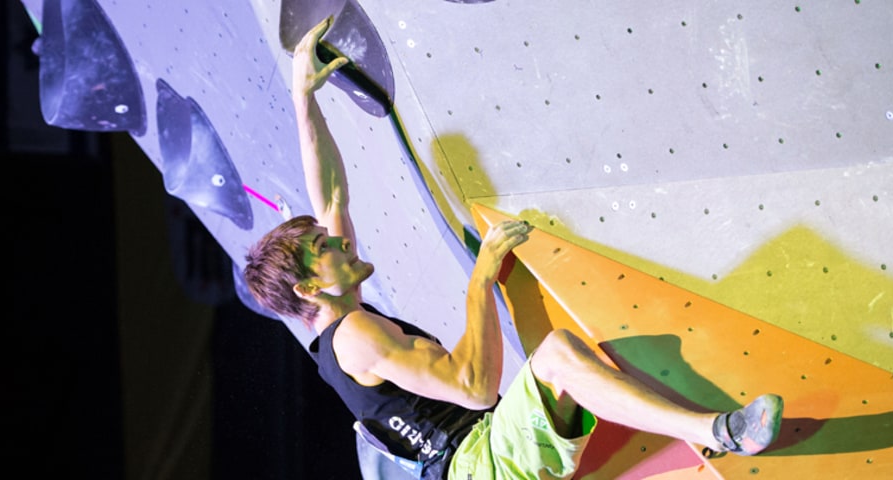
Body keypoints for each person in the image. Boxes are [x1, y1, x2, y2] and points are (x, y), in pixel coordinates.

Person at [243, 17, 783, 479]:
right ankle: (720, 431)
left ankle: (713, 431)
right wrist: (481, 275)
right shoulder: (355, 335)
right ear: (309, 285)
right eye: (323, 246)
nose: (339, 237)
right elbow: (474, 387)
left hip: (484, 454)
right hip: (480, 464)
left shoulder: (338, 337)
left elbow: (331, 194)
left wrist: (303, 96)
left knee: (561, 366)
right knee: (556, 359)